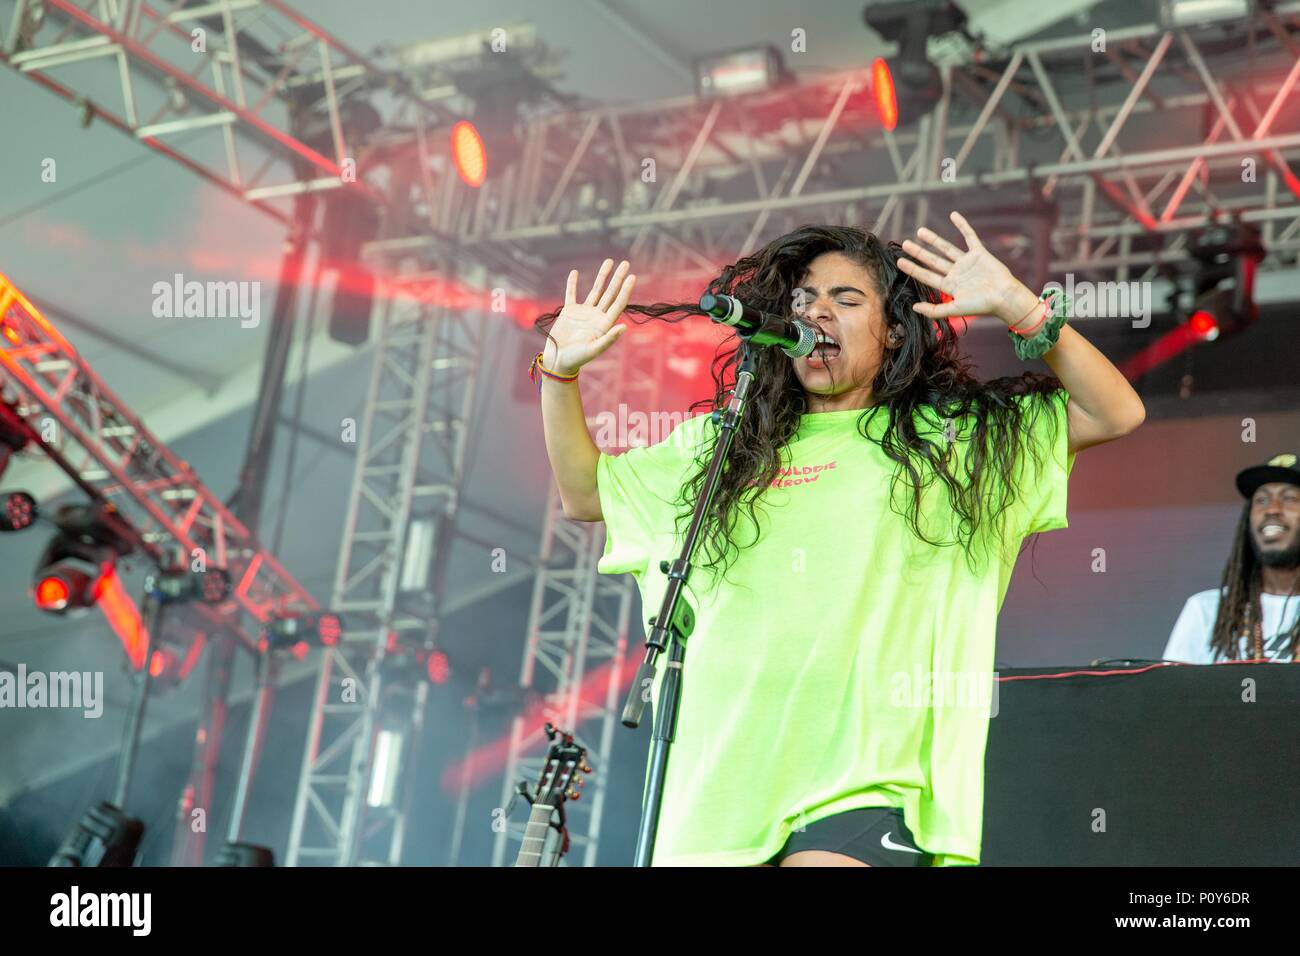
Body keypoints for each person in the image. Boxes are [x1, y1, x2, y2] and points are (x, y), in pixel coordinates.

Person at [530, 212, 1145, 867]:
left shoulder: (955, 442)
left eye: (846, 299)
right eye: (802, 301)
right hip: (720, 784)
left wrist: (1021, 309)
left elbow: (1115, 412)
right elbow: (585, 494)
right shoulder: (723, 450)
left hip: (869, 775)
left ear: (893, 331)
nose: (817, 312)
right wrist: (560, 375)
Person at [1163, 453, 1300, 664]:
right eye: (1261, 500)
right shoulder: (1207, 610)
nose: (1272, 509)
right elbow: (1172, 695)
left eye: (1289, 498)